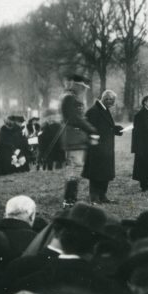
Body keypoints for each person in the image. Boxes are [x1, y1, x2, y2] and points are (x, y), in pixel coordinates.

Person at [58, 74, 99, 207]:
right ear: (75, 85)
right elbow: (74, 118)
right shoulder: (69, 98)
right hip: (73, 139)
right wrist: (91, 129)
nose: (83, 89)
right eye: (82, 86)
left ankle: (70, 199)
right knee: (74, 170)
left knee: (75, 170)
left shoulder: (71, 97)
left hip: (76, 139)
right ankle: (69, 200)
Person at [82, 90, 124, 204]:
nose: (112, 103)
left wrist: (116, 129)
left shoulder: (104, 110)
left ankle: (103, 196)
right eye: (111, 101)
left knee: (105, 172)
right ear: (106, 99)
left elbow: (106, 126)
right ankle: (94, 197)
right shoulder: (94, 111)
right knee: (96, 173)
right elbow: (89, 130)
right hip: (97, 149)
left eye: (113, 101)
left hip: (106, 148)